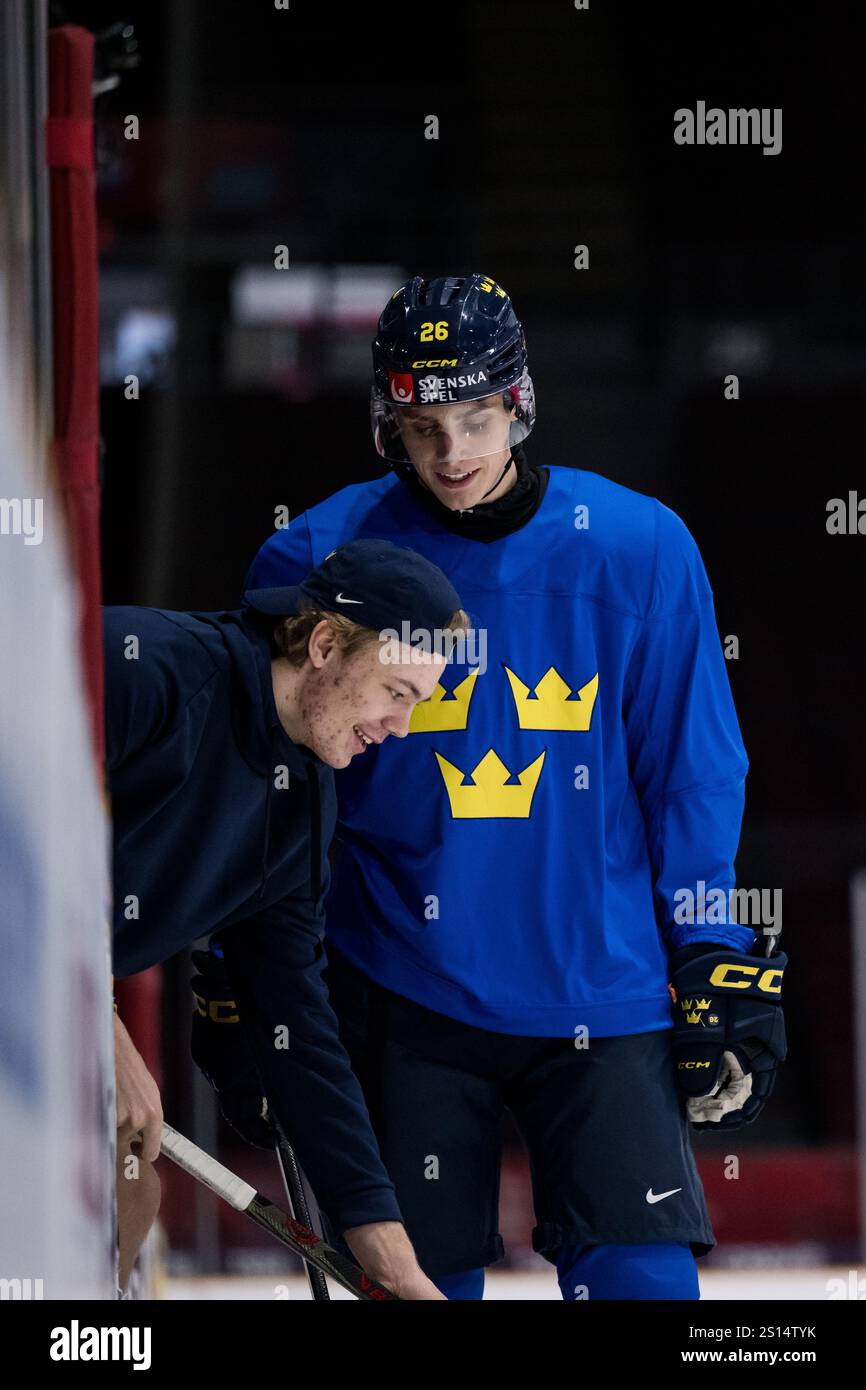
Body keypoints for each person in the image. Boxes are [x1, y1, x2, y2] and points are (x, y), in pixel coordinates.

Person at [233, 272, 788, 1300]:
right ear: (385, 418)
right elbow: (268, 782)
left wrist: (708, 943)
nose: (451, 454)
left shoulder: (641, 548)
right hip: (394, 987)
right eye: (421, 423)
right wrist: (242, 967)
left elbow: (691, 772)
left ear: (519, 401)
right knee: (412, 1288)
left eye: (476, 416)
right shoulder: (312, 553)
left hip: (605, 987)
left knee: (642, 1288)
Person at [107, 538, 467, 1299]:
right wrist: (93, 1023)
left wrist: (391, 1259)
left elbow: (296, 1021)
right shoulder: (143, 668)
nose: (400, 728)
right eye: (396, 692)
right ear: (326, 644)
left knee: (125, 1184)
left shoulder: (303, 809)